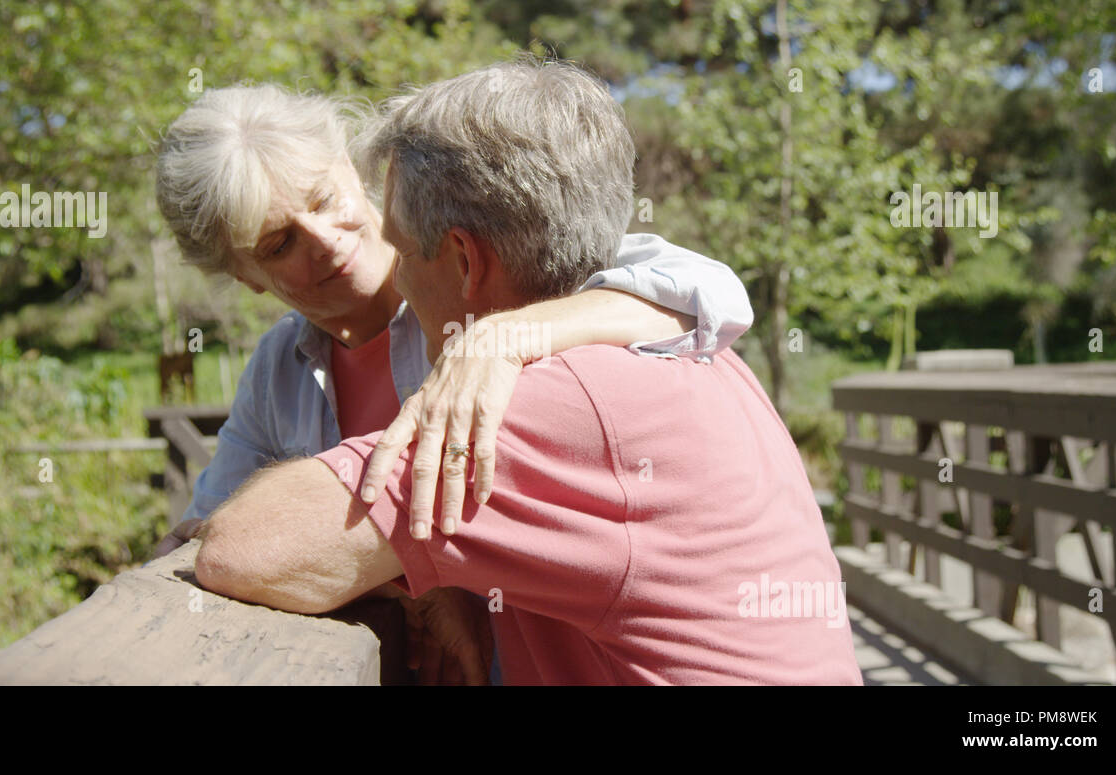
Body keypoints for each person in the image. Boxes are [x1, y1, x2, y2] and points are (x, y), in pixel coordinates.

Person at [192, 59, 863, 685]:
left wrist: (507, 336)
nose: (355, 251)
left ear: (463, 259)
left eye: (399, 247)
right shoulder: (689, 352)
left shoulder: (535, 402)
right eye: (279, 243)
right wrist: (430, 575)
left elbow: (239, 549)